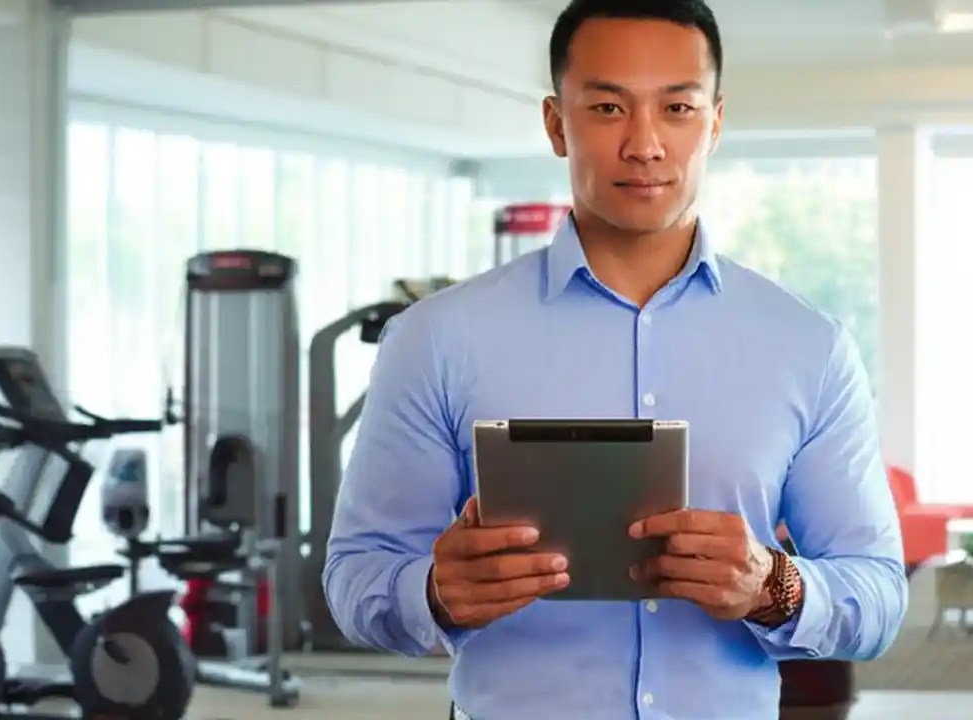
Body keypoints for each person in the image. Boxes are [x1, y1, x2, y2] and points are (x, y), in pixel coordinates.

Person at [322, 0, 908, 717]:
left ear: (715, 122)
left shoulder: (809, 347)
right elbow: (356, 576)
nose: (646, 144)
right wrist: (434, 591)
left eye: (678, 108)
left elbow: (879, 594)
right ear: (555, 122)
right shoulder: (435, 339)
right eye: (606, 107)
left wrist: (771, 586)